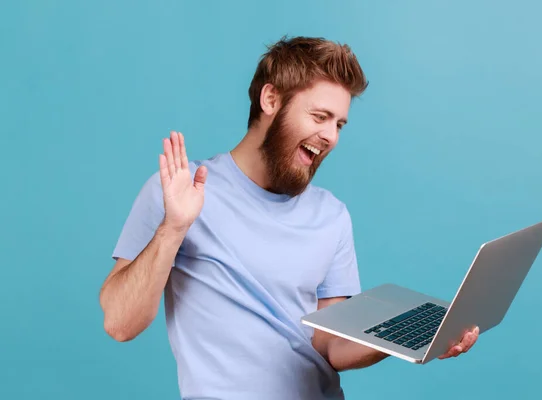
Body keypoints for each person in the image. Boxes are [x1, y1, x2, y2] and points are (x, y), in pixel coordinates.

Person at [99, 36, 479, 400]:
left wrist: (407, 336)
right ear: (270, 99)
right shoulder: (180, 191)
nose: (330, 136)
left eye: (340, 124)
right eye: (320, 116)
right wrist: (174, 227)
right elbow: (120, 323)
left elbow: (330, 343)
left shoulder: (331, 216)